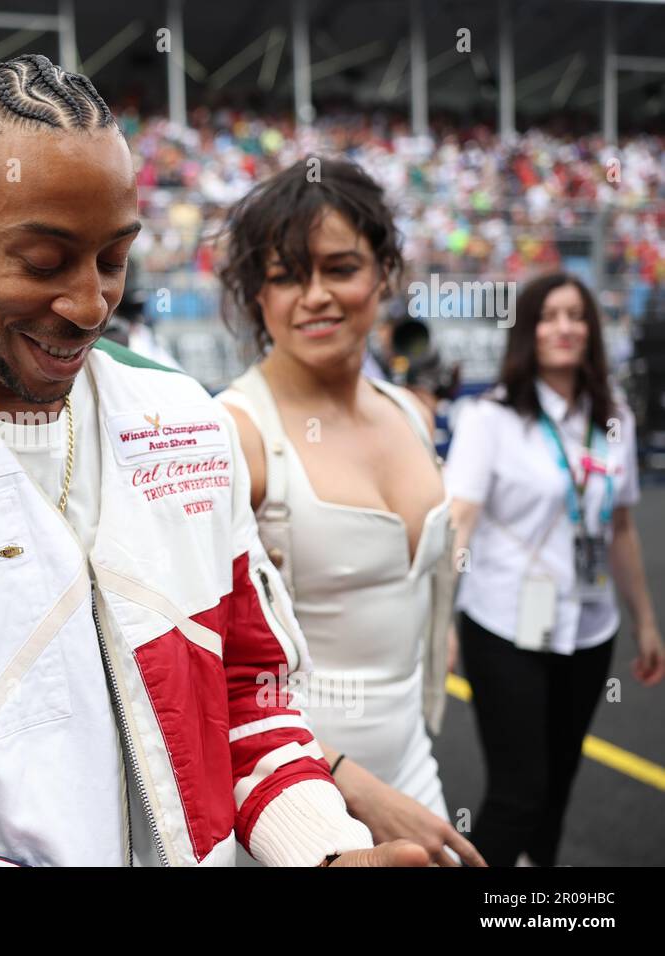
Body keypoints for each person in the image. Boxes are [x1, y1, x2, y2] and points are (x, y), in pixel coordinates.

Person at [0, 55, 430, 867]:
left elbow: (245, 692)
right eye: (43, 262)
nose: (88, 305)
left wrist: (326, 850)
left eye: (114, 259)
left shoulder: (183, 415)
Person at [214, 158, 483, 866]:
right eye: (285, 275)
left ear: (384, 273)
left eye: (339, 267)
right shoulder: (236, 435)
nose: (315, 296)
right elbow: (206, 669)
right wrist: (345, 782)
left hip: (412, 761)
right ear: (256, 294)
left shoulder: (409, 412)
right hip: (292, 790)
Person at [445, 272, 664, 866]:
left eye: (576, 315)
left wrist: (645, 621)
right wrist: (438, 620)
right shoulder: (488, 417)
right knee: (519, 794)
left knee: (559, 785)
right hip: (503, 624)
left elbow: (618, 528)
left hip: (590, 628)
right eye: (549, 316)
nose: (564, 327)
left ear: (591, 329)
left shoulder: (613, 415)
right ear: (528, 331)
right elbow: (459, 520)